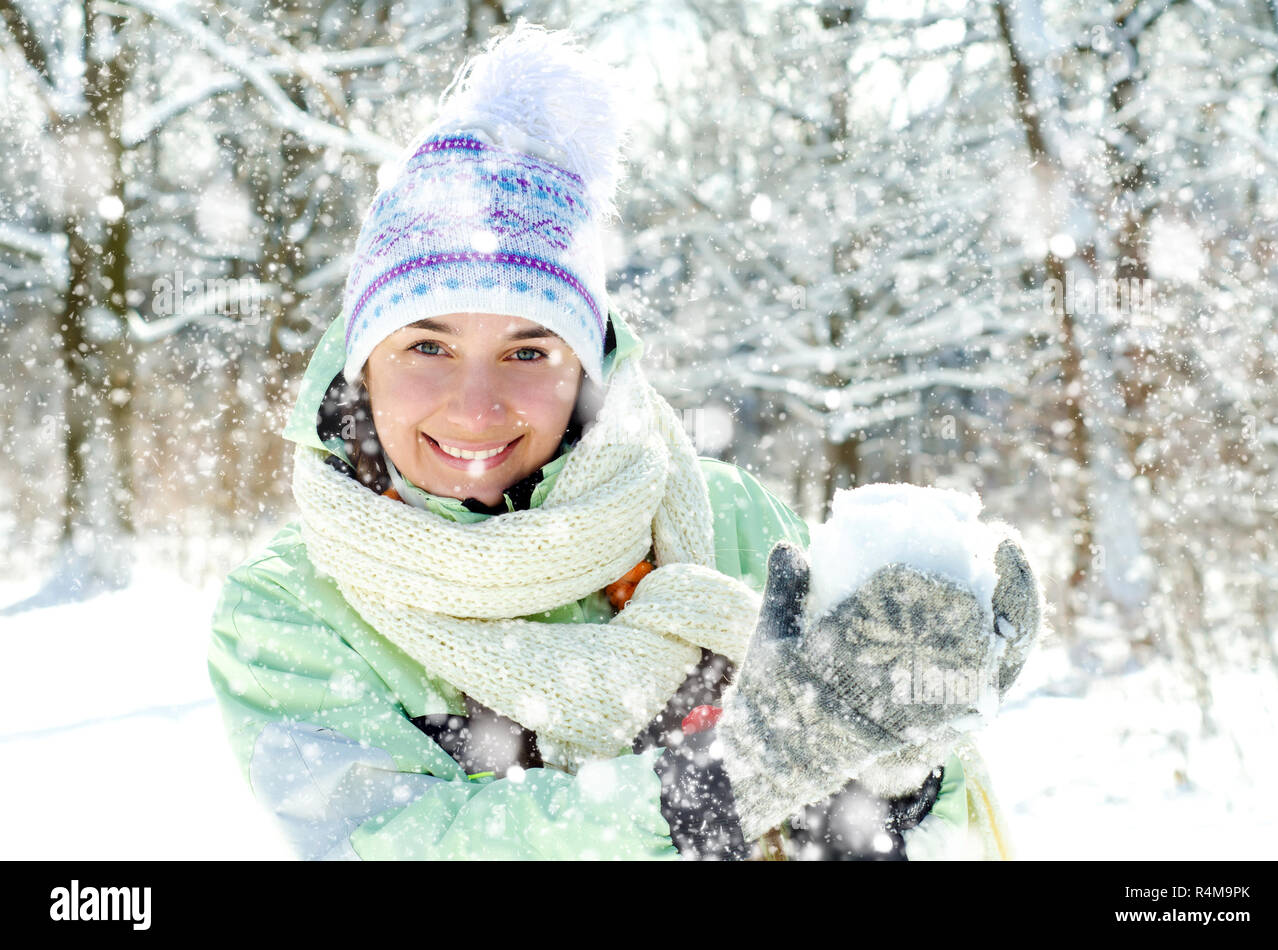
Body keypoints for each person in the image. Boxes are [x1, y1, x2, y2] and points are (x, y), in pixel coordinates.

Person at [208, 22, 1042, 861]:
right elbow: (394, 846)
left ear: (587, 367)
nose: (475, 406)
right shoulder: (291, 610)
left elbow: (910, 834)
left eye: (528, 351)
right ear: (362, 367)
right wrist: (734, 777)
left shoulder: (729, 524)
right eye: (427, 346)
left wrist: (902, 768)